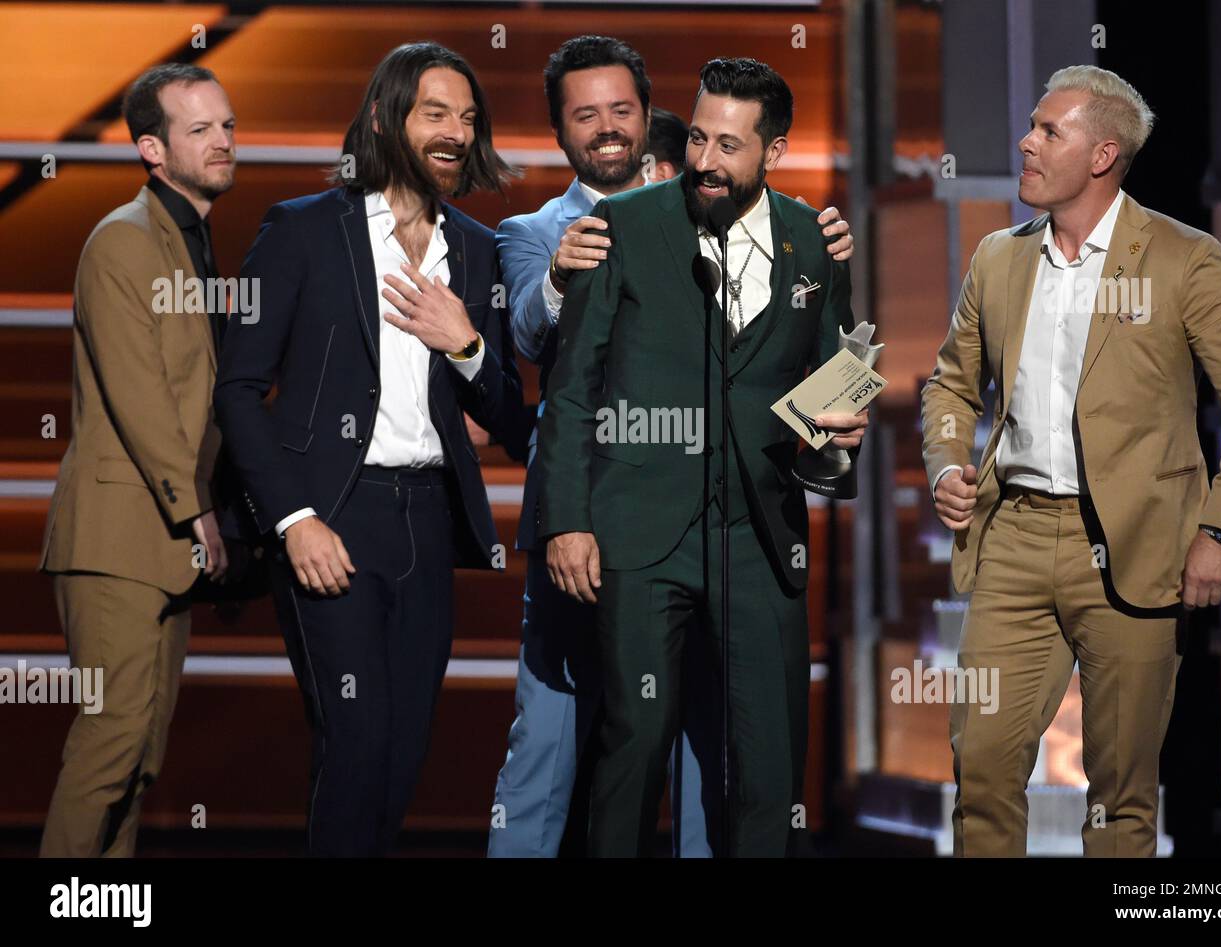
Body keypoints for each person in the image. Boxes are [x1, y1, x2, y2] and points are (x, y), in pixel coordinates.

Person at [921, 65, 1221, 857]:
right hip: (1014, 541)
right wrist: (947, 463)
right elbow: (950, 386)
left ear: (1102, 155)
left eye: (1048, 131)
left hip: (1136, 545)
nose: (1025, 141)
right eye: (1032, 125)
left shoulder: (1182, 258)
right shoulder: (997, 256)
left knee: (1121, 794)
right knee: (981, 770)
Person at [538, 57, 867, 857]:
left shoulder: (813, 244)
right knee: (634, 744)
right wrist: (566, 521)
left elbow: (840, 378)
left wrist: (833, 444)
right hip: (641, 535)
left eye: (729, 145)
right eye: (696, 138)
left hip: (761, 536)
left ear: (775, 151)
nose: (706, 162)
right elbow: (574, 387)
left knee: (768, 762)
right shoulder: (623, 228)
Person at [213, 42, 529, 856]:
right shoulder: (304, 230)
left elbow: (505, 412)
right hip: (332, 518)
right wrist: (292, 519)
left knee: (401, 754)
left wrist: (466, 346)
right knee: (354, 745)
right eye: (436, 113)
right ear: (388, 117)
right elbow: (239, 390)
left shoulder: (479, 250)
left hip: (428, 524)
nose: (456, 131)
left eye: (467, 117)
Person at [39, 63, 235, 857]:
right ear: (152, 148)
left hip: (167, 542)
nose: (223, 141)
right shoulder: (122, 242)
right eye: (201, 130)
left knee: (137, 760)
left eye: (227, 124)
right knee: (110, 744)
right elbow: (142, 399)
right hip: (121, 535)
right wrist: (200, 511)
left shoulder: (192, 241)